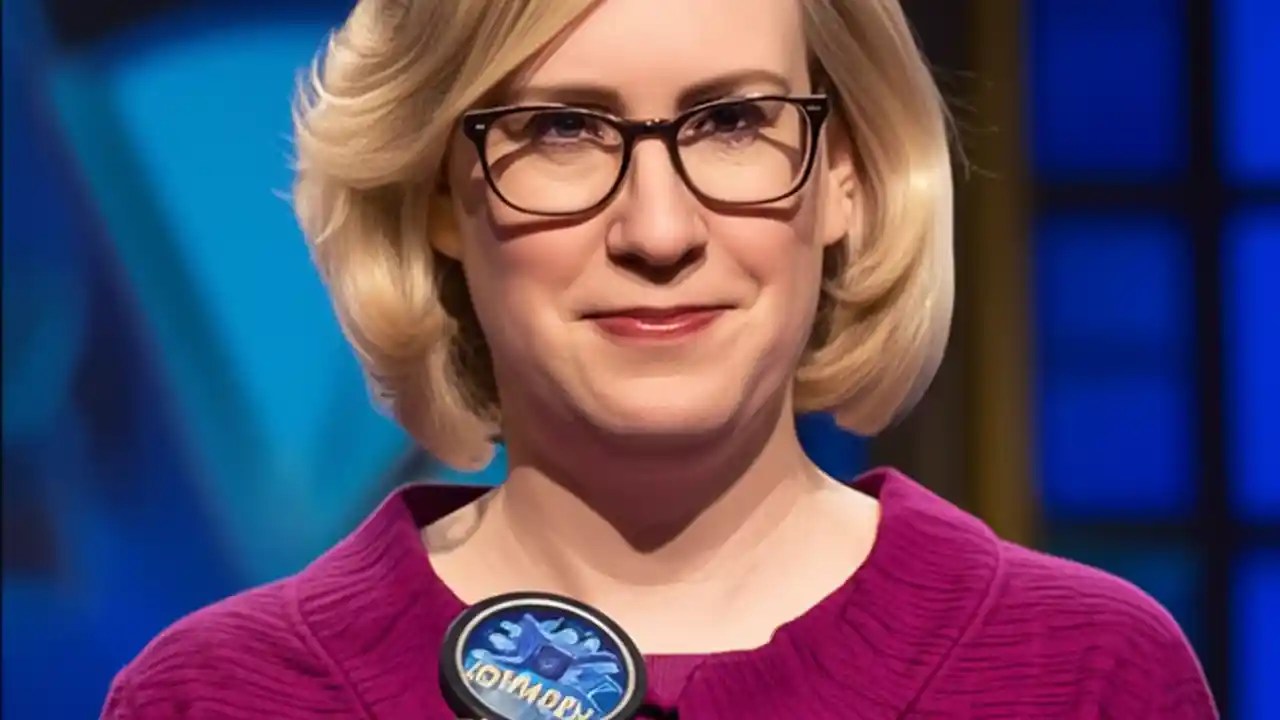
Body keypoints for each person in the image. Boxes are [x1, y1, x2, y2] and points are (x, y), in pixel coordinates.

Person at [101, 0, 1218, 717]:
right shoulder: (218, 697)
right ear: (439, 193)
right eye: (558, 130)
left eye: (732, 123)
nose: (656, 231)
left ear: (846, 175)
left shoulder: (1083, 675)